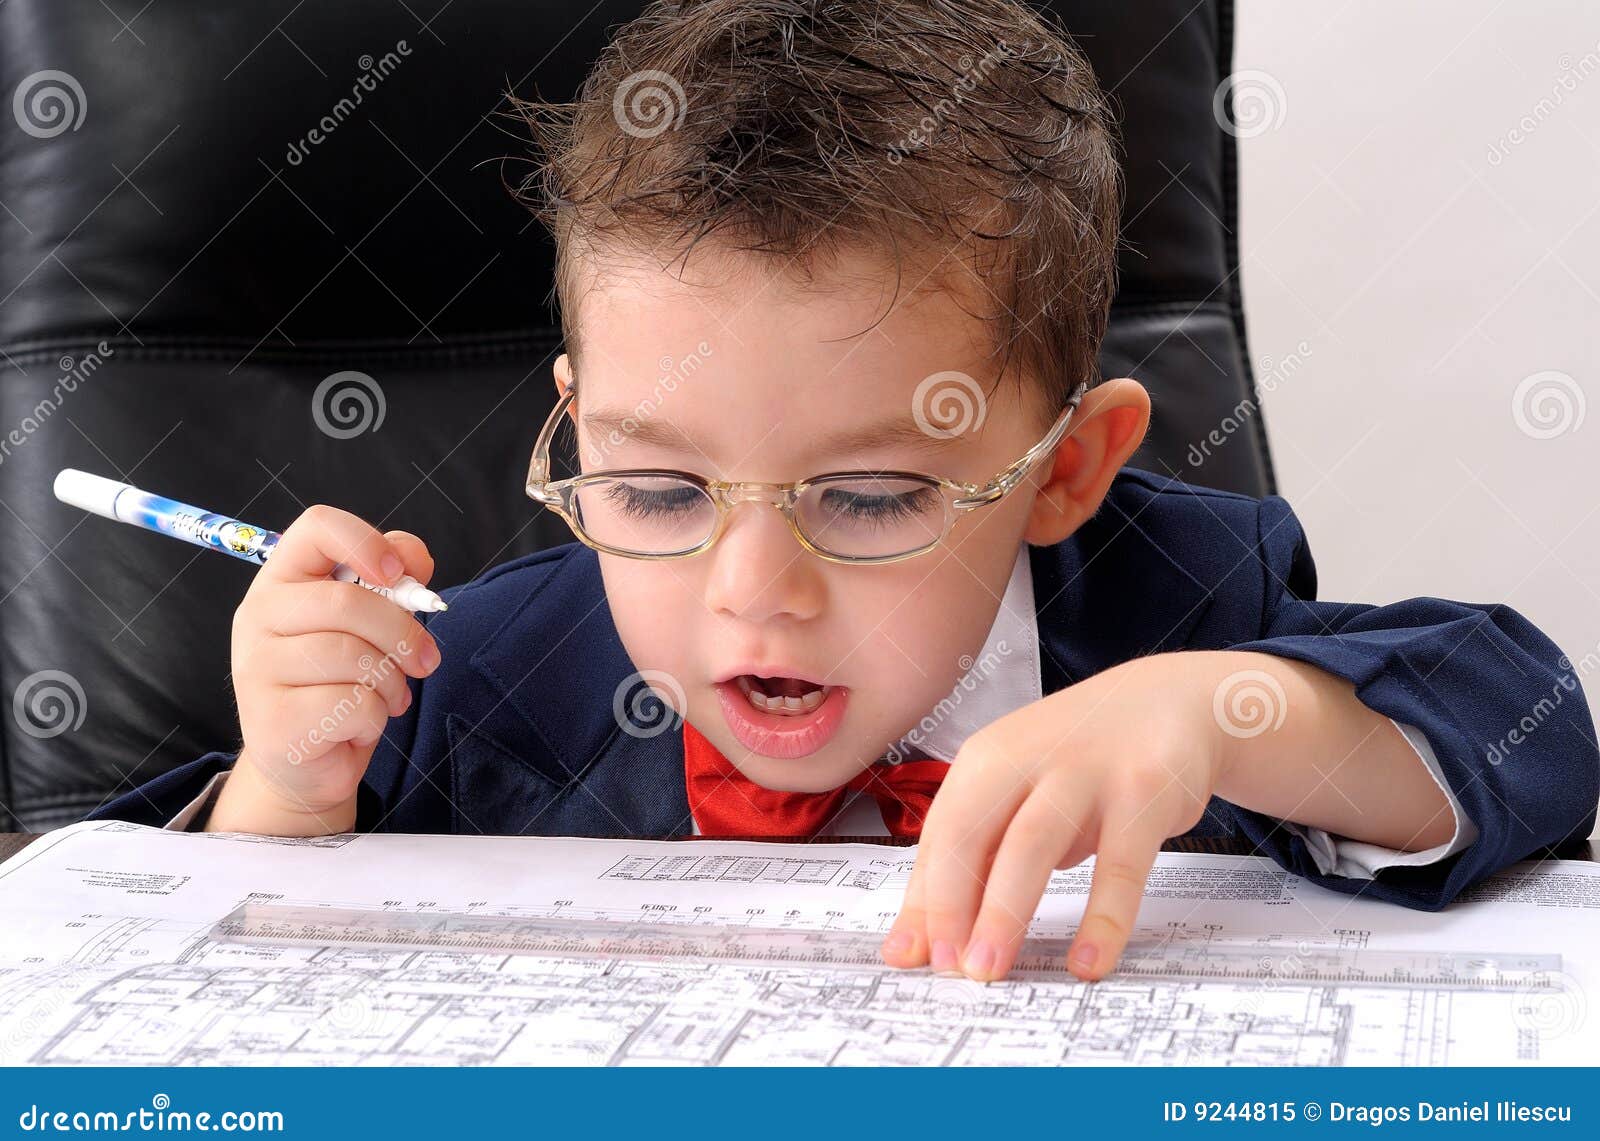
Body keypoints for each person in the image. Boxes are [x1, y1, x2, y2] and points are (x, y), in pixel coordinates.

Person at [90, 0, 1599, 984]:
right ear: (579, 428)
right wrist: (287, 781)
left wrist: (1222, 716)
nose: (753, 590)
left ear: (1065, 465)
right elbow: (184, 949)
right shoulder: (478, 670)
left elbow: (1522, 728)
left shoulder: (1181, 602)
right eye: (664, 488)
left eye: (872, 498)